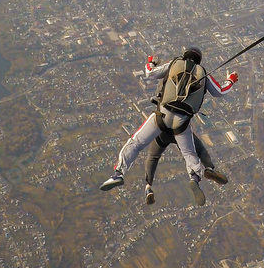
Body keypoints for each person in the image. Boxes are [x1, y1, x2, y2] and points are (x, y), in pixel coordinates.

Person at [100, 47, 237, 206]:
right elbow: (220, 91)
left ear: (185, 55)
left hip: (162, 114)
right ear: (198, 59)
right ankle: (194, 177)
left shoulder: (174, 63)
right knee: (189, 152)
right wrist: (231, 79)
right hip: (182, 121)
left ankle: (119, 174)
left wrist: (150, 62)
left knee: (136, 143)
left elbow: (150, 73)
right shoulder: (203, 73)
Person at [142, 130, 228, 205]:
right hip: (180, 130)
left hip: (162, 133)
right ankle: (203, 172)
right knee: (193, 152)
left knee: (153, 156)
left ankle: (148, 187)